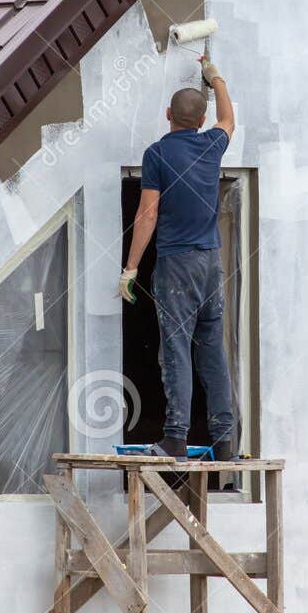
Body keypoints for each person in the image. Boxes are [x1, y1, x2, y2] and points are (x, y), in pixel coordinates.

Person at [119, 54, 238, 461]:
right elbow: (229, 120)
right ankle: (225, 443)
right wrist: (215, 76)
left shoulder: (157, 154)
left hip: (178, 264)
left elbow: (147, 213)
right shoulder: (211, 145)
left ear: (167, 114)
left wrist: (131, 267)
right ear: (200, 120)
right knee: (212, 351)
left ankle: (175, 437)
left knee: (175, 348)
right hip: (211, 263)